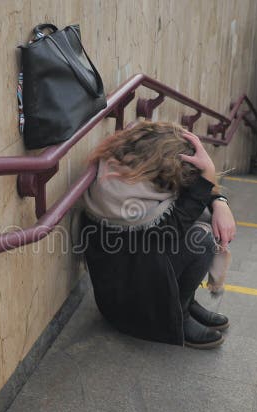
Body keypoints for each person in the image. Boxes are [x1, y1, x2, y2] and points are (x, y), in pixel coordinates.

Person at [79, 121, 236, 349]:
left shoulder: (127, 170)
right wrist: (208, 175)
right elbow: (174, 226)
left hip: (139, 276)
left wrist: (220, 203)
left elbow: (188, 190)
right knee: (200, 238)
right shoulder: (126, 201)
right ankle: (177, 315)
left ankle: (184, 300)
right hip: (129, 306)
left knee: (202, 216)